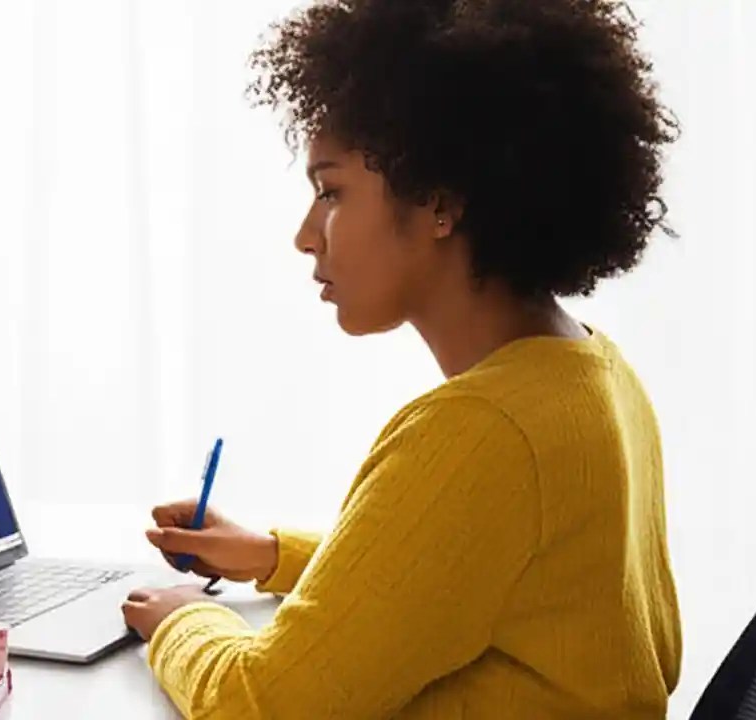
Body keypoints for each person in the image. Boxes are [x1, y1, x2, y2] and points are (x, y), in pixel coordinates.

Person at [121, 1, 682, 718]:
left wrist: (180, 621)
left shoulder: (483, 430)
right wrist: (272, 555)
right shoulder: (593, 374)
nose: (304, 235)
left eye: (331, 191)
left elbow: (260, 704)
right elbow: (462, 573)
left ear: (439, 202)